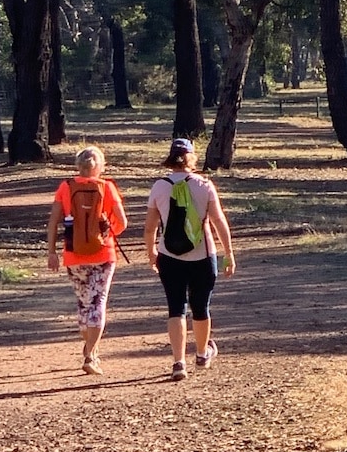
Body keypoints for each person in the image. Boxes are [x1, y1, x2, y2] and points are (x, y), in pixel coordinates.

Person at [144, 137, 236, 381]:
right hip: (202, 256)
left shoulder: (159, 186)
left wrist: (151, 251)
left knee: (176, 308)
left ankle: (178, 362)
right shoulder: (204, 185)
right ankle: (202, 353)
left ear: (171, 158)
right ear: (191, 157)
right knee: (201, 307)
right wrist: (228, 253)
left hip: (168, 255)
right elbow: (218, 222)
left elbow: (150, 227)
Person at [45, 145, 128, 376]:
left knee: (84, 304)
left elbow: (53, 223)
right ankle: (91, 354)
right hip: (103, 254)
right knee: (98, 302)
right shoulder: (107, 187)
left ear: (78, 166)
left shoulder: (65, 187)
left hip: (73, 254)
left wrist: (51, 252)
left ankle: (92, 349)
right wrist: (105, 232)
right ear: (100, 167)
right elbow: (122, 223)